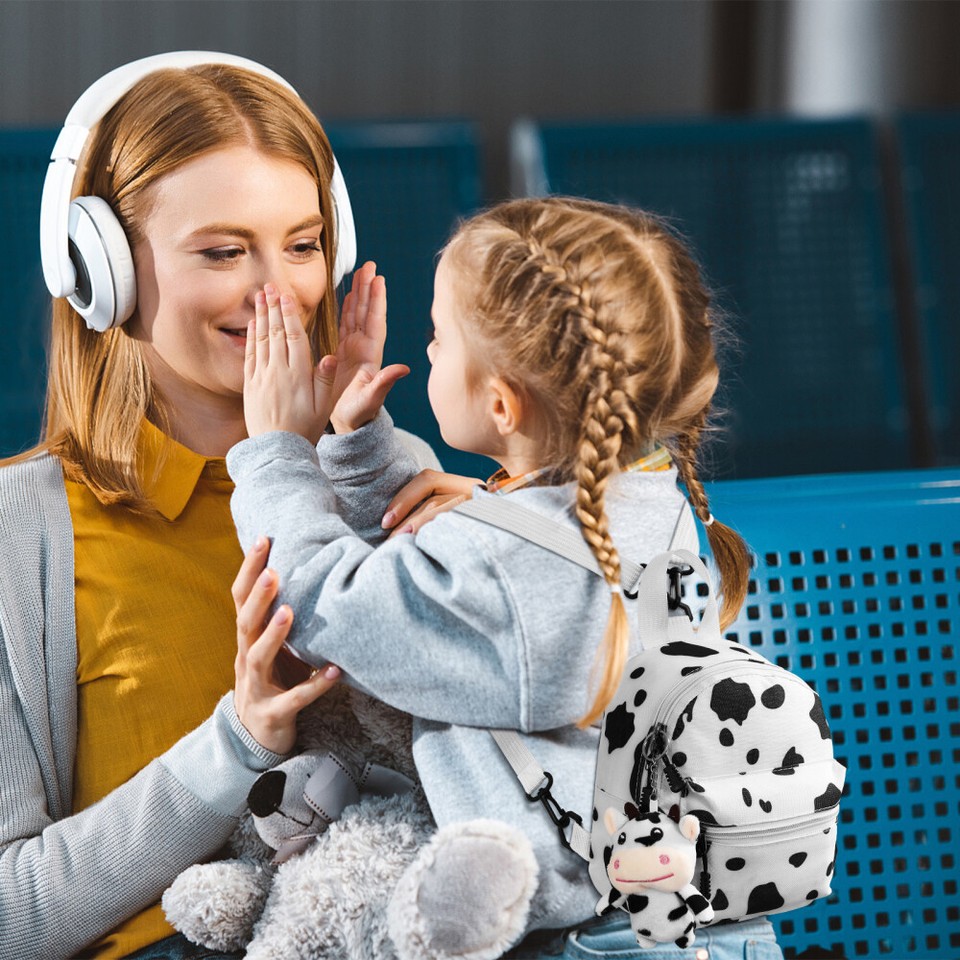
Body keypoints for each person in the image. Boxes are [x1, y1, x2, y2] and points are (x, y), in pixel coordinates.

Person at [228, 196, 786, 959]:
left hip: (586, 941)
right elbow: (475, 557)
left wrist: (275, 449)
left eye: (437, 338)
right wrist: (359, 445)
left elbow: (331, 601)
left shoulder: (501, 577)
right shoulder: (650, 502)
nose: (425, 352)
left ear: (499, 403)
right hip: (688, 918)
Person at [0, 53, 437, 960]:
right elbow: (11, 916)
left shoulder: (386, 481)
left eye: (304, 244)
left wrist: (494, 533)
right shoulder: (21, 535)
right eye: (223, 251)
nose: (277, 290)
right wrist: (235, 744)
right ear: (101, 271)